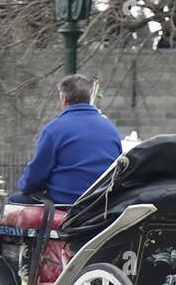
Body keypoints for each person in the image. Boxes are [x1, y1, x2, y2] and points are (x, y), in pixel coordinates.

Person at [13, 74, 122, 207]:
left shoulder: (54, 129)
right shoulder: (111, 130)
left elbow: (35, 177)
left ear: (64, 99)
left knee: (13, 202)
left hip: (65, 204)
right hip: (100, 206)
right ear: (89, 99)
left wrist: (23, 185)